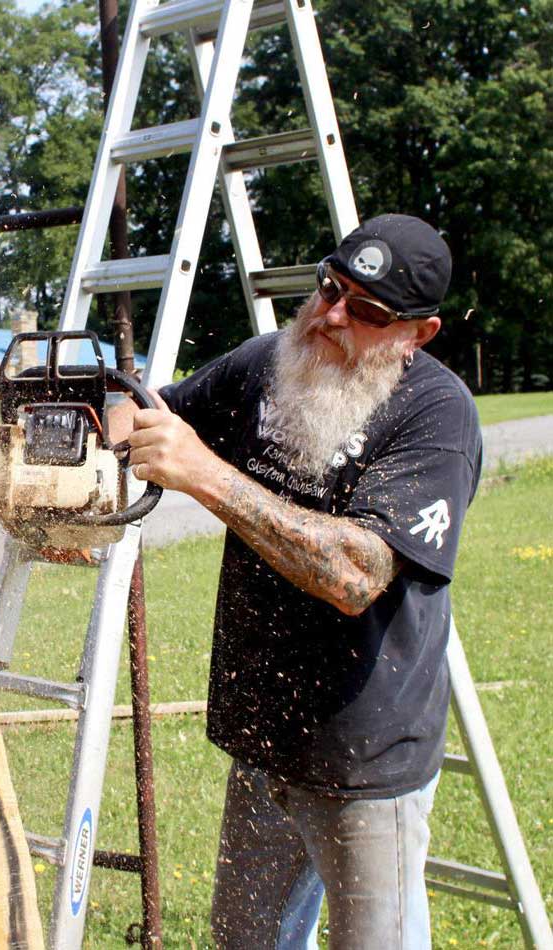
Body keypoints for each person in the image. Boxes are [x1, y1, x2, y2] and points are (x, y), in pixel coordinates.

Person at [109, 214, 482, 949]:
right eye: (329, 288)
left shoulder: (437, 414)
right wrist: (89, 431)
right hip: (264, 742)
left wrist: (206, 475)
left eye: (367, 312)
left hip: (364, 762)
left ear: (420, 332)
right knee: (245, 940)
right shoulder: (267, 361)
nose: (331, 316)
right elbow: (148, 412)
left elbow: (354, 573)